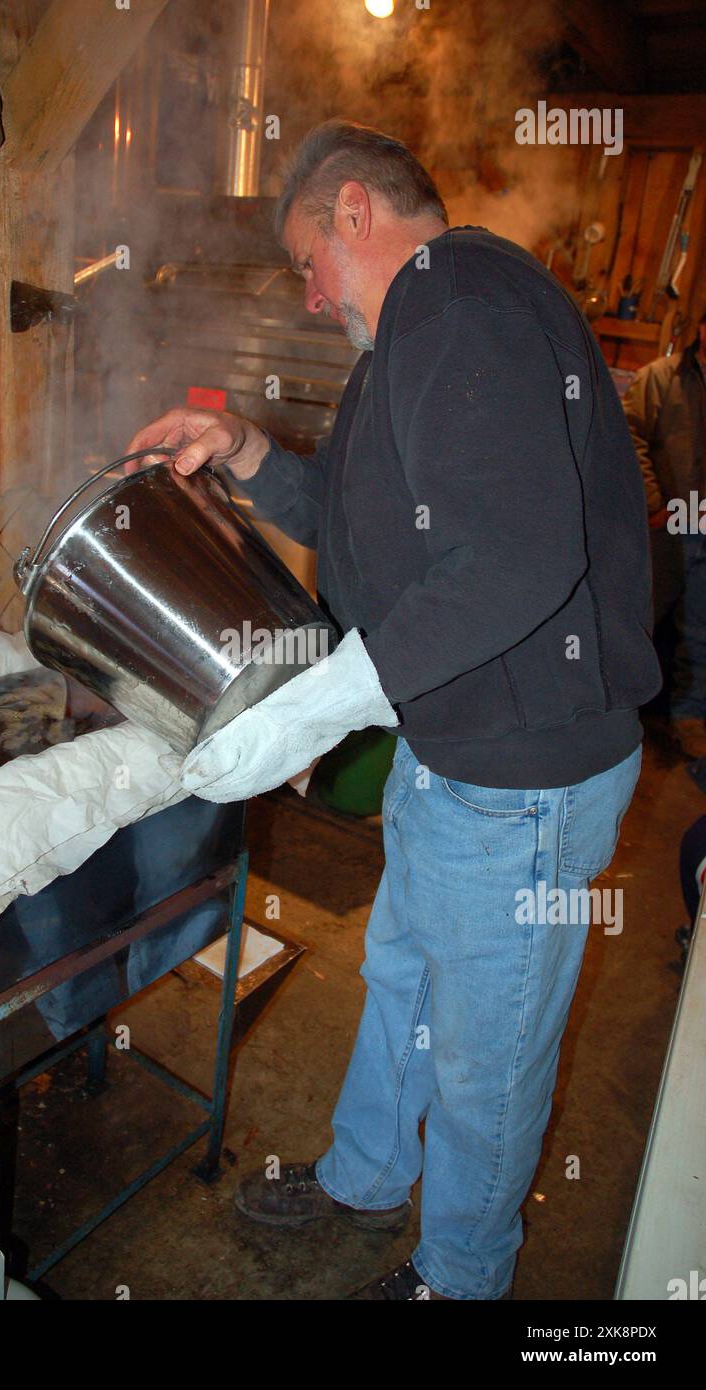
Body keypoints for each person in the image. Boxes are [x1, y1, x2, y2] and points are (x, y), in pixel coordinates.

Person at [126, 120, 662, 1301]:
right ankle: (368, 1180)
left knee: (488, 1061)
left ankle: (463, 1278)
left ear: (355, 210)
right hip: (453, 747)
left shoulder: (457, 306)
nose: (310, 295)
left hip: (525, 778)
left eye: (309, 259)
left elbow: (516, 559)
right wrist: (245, 447)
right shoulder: (418, 328)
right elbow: (375, 527)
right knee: (405, 979)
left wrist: (322, 704)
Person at [623, 313, 706, 757]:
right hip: (666, 528)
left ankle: (689, 724)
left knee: (699, 634)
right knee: (640, 620)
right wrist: (654, 502)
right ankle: (621, 717)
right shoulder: (658, 379)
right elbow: (629, 436)